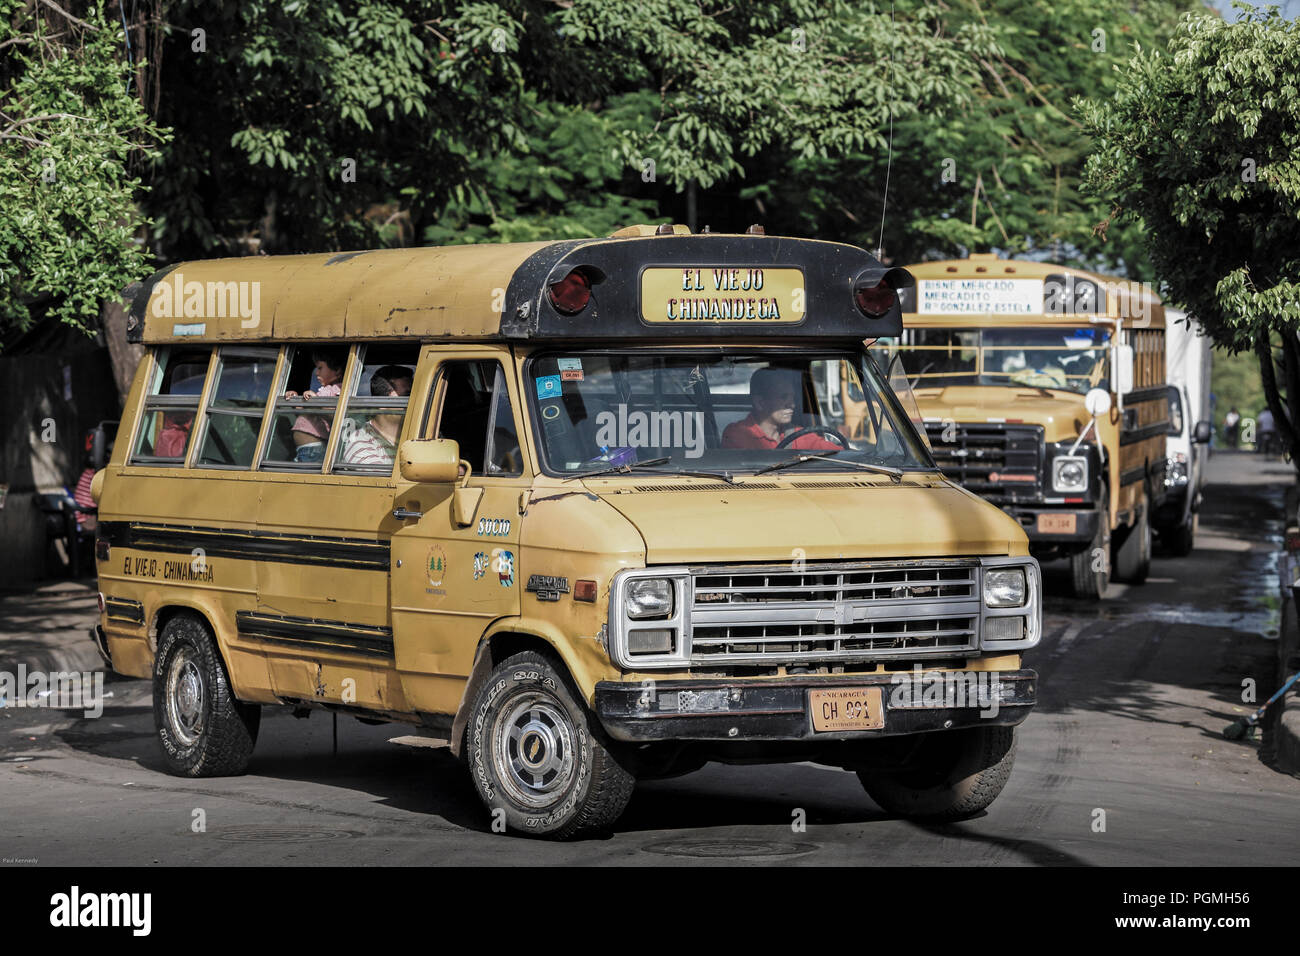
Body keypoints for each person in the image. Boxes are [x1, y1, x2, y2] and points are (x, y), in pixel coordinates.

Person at [721, 367, 841, 451]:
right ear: (760, 403)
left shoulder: (797, 434)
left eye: (792, 397)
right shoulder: (738, 435)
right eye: (783, 397)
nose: (792, 405)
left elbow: (839, 454)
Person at [341, 365, 413, 467]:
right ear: (383, 403)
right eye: (406, 396)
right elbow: (385, 482)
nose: (414, 401)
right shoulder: (360, 444)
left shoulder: (417, 432)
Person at [285, 348, 346, 462]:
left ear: (337, 371)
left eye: (320, 368)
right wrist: (294, 398)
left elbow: (336, 415)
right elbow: (303, 409)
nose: (316, 372)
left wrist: (316, 402)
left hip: (313, 450)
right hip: (306, 450)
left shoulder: (339, 390)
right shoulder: (326, 390)